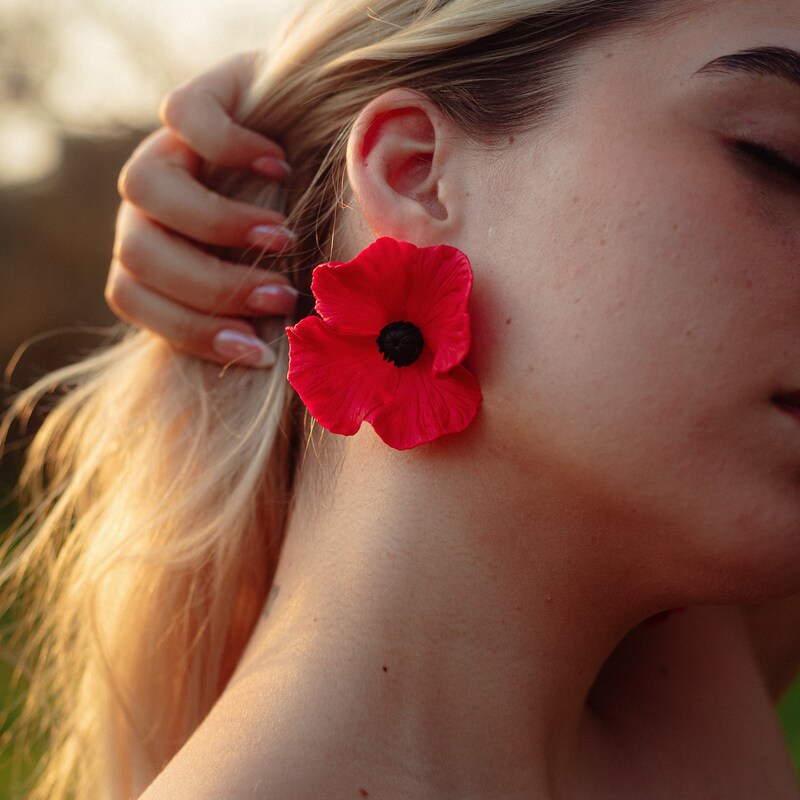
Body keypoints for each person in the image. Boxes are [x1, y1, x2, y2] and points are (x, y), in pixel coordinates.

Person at [5, 0, 800, 797]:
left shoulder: (690, 660)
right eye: (780, 159)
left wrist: (295, 104)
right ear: (413, 172)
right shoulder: (701, 691)